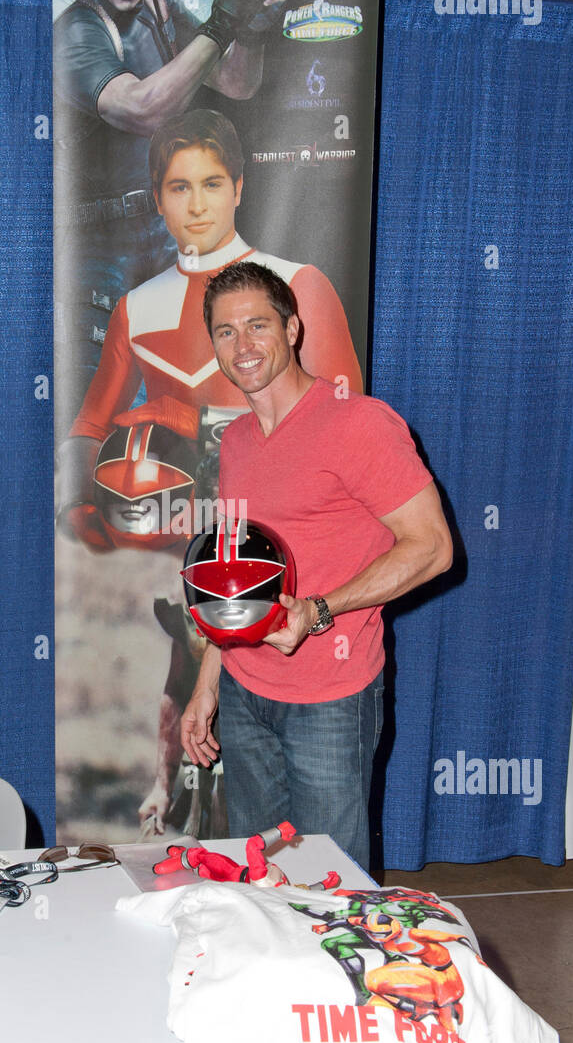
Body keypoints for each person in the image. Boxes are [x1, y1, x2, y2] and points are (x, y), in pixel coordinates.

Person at [179, 262, 453, 871]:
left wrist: (321, 610)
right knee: (265, 873)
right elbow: (237, 576)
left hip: (331, 696)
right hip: (246, 693)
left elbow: (433, 548)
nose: (243, 346)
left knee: (334, 886)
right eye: (225, 332)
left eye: (257, 325)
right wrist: (207, 684)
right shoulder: (238, 441)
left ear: (294, 327)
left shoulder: (359, 424)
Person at [57, 108, 362, 550]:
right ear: (157, 199)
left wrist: (201, 423)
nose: (197, 206)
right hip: (172, 550)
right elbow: (89, 425)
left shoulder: (299, 284)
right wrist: (75, 498)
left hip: (285, 536)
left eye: (212, 184)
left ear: (238, 188)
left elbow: (345, 426)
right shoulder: (134, 307)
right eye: (180, 188)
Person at [53, 0, 287, 422]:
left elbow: (234, 81)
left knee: (189, 397)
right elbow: (140, 108)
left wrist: (249, 30)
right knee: (105, 409)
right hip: (99, 244)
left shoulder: (158, 2)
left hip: (166, 234)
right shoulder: (78, 30)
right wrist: (222, 23)